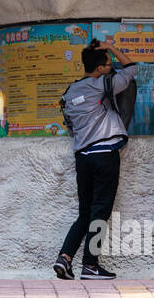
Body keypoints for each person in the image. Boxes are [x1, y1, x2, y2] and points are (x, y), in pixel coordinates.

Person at [53, 39, 138, 280]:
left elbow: (70, 126)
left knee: (85, 212)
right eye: (108, 64)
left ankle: (65, 257)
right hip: (104, 154)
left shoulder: (71, 92)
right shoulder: (103, 84)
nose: (111, 66)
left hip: (83, 157)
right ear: (99, 68)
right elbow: (132, 69)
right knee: (100, 211)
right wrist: (111, 47)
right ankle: (90, 265)